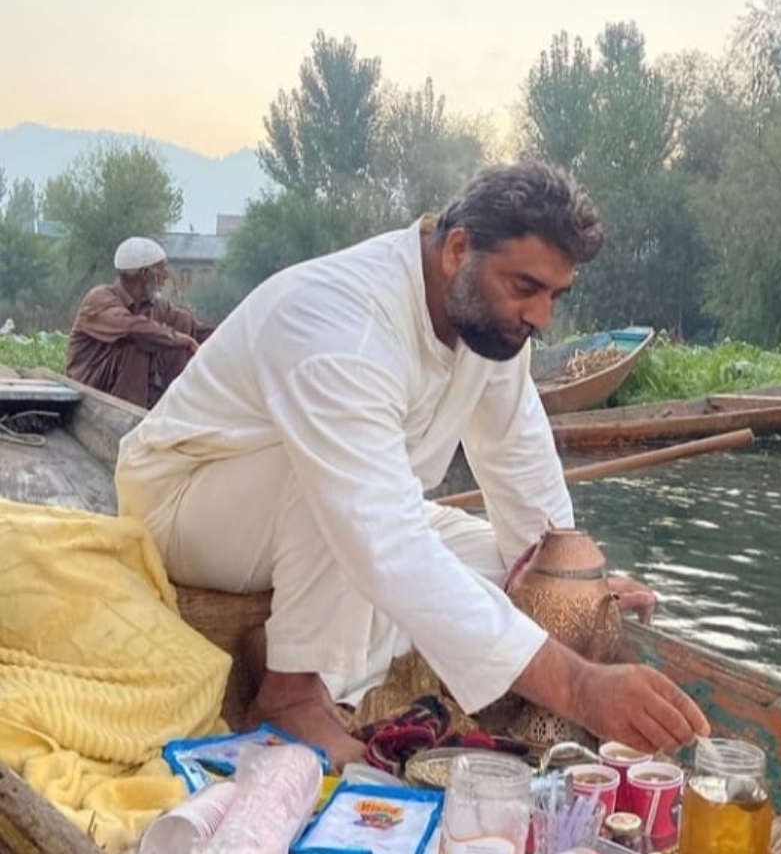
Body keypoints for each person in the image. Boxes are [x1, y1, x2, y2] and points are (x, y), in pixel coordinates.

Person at [115, 162, 709, 769]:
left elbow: (516, 453)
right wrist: (580, 686)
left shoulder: (489, 323)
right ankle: (289, 694)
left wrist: (570, 581)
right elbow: (383, 539)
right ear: (457, 250)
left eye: (554, 296)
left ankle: (294, 636)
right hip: (189, 503)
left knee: (505, 567)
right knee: (346, 491)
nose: (541, 317)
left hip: (330, 511)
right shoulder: (343, 327)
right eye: (526, 287)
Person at [66, 237, 214, 408]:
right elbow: (133, 328)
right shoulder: (99, 299)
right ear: (145, 274)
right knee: (137, 346)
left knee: (182, 321)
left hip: (135, 394)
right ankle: (130, 420)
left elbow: (196, 329)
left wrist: (236, 333)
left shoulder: (153, 306)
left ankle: (171, 409)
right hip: (92, 391)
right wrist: (183, 340)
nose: (166, 276)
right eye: (162, 269)